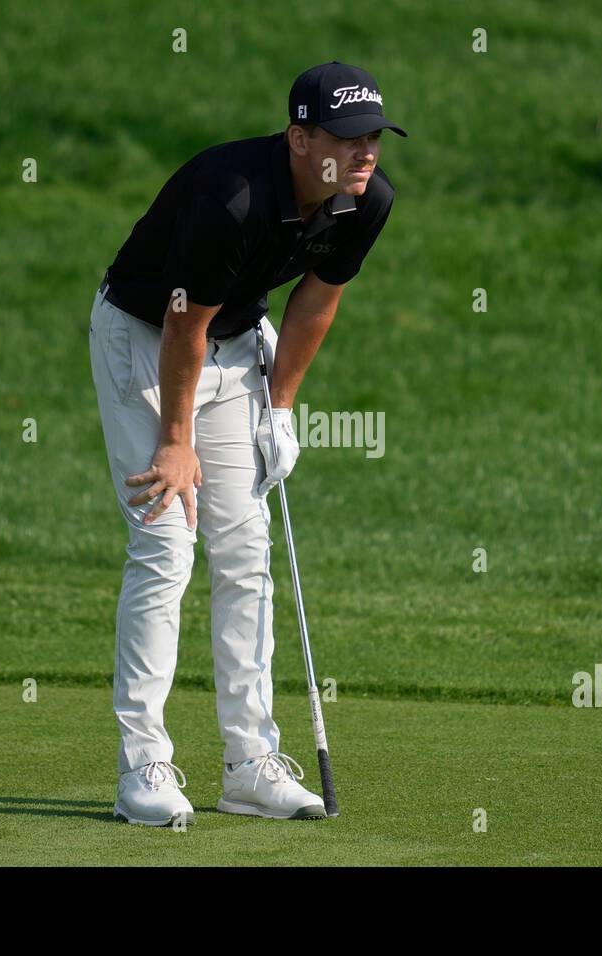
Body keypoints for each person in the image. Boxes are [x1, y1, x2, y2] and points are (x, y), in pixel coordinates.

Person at [89, 61, 405, 826]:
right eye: (350, 139)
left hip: (232, 350)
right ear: (300, 138)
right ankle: (145, 769)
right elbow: (181, 324)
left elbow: (316, 301)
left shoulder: (365, 201)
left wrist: (280, 407)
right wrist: (175, 440)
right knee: (167, 543)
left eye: (375, 139)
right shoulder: (232, 197)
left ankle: (250, 764)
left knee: (244, 547)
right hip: (144, 341)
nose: (367, 155)